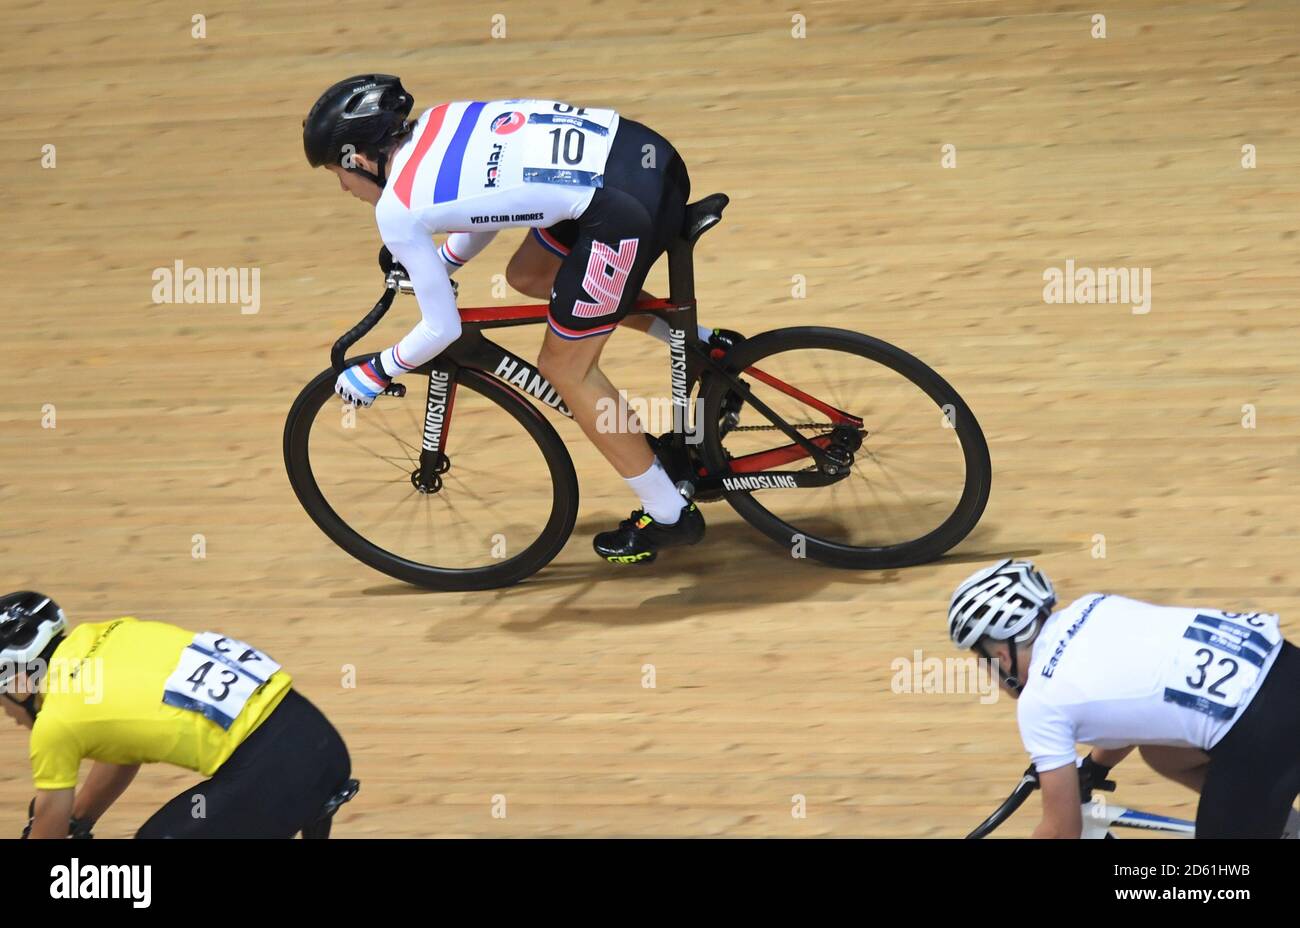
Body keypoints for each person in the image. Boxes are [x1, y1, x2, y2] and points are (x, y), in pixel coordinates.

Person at [303, 74, 739, 564]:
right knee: (530, 275)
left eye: (337, 175)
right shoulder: (440, 120)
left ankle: (668, 514)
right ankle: (704, 344)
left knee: (565, 368)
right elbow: (487, 206)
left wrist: (378, 370)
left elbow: (442, 329)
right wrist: (445, 261)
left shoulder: (397, 210)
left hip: (619, 211)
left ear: (358, 159)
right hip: (646, 154)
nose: (344, 188)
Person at [947, 559, 1300, 838]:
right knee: (1162, 753)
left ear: (1002, 657)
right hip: (1286, 667)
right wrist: (1096, 767)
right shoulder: (1093, 606)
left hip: (1259, 732)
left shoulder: (1040, 701)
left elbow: (1062, 831)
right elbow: (1135, 701)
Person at [1, 591, 352, 838]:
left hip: (274, 775)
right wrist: (79, 820)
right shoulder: (114, 632)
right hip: (318, 739)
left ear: (18, 681)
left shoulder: (55, 723)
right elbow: (122, 751)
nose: (8, 714)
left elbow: (47, 828)